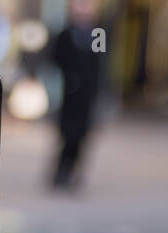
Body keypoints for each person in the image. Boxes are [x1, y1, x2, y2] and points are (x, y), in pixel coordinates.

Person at [48, 0, 102, 191]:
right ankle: (61, 172)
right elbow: (55, 56)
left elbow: (99, 62)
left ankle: (73, 171)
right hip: (71, 96)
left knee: (82, 136)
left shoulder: (97, 34)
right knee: (68, 135)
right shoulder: (65, 34)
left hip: (87, 96)